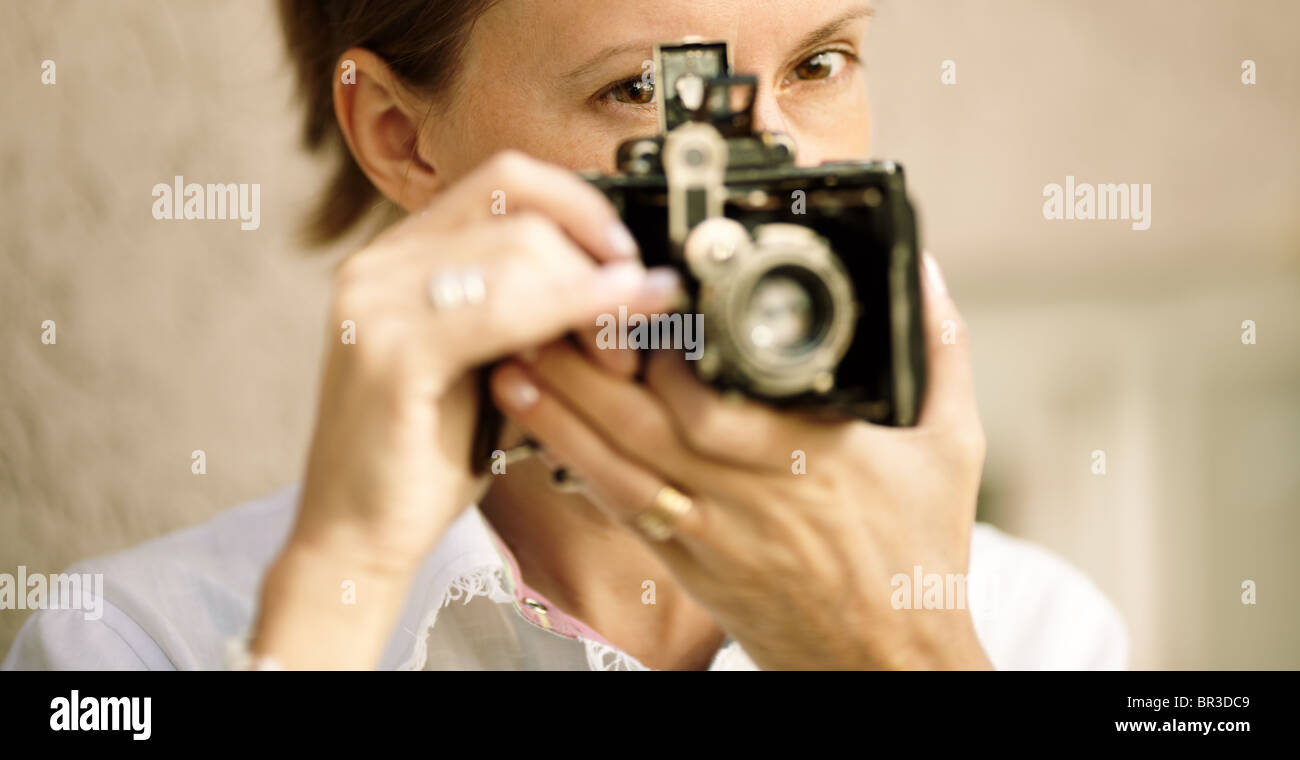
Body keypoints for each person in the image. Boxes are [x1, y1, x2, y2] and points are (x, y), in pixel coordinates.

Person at [2, 0, 1126, 671]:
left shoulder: (1033, 628)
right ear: (401, 137)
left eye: (817, 65)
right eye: (646, 90)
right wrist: (338, 588)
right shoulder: (137, 643)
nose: (768, 180)